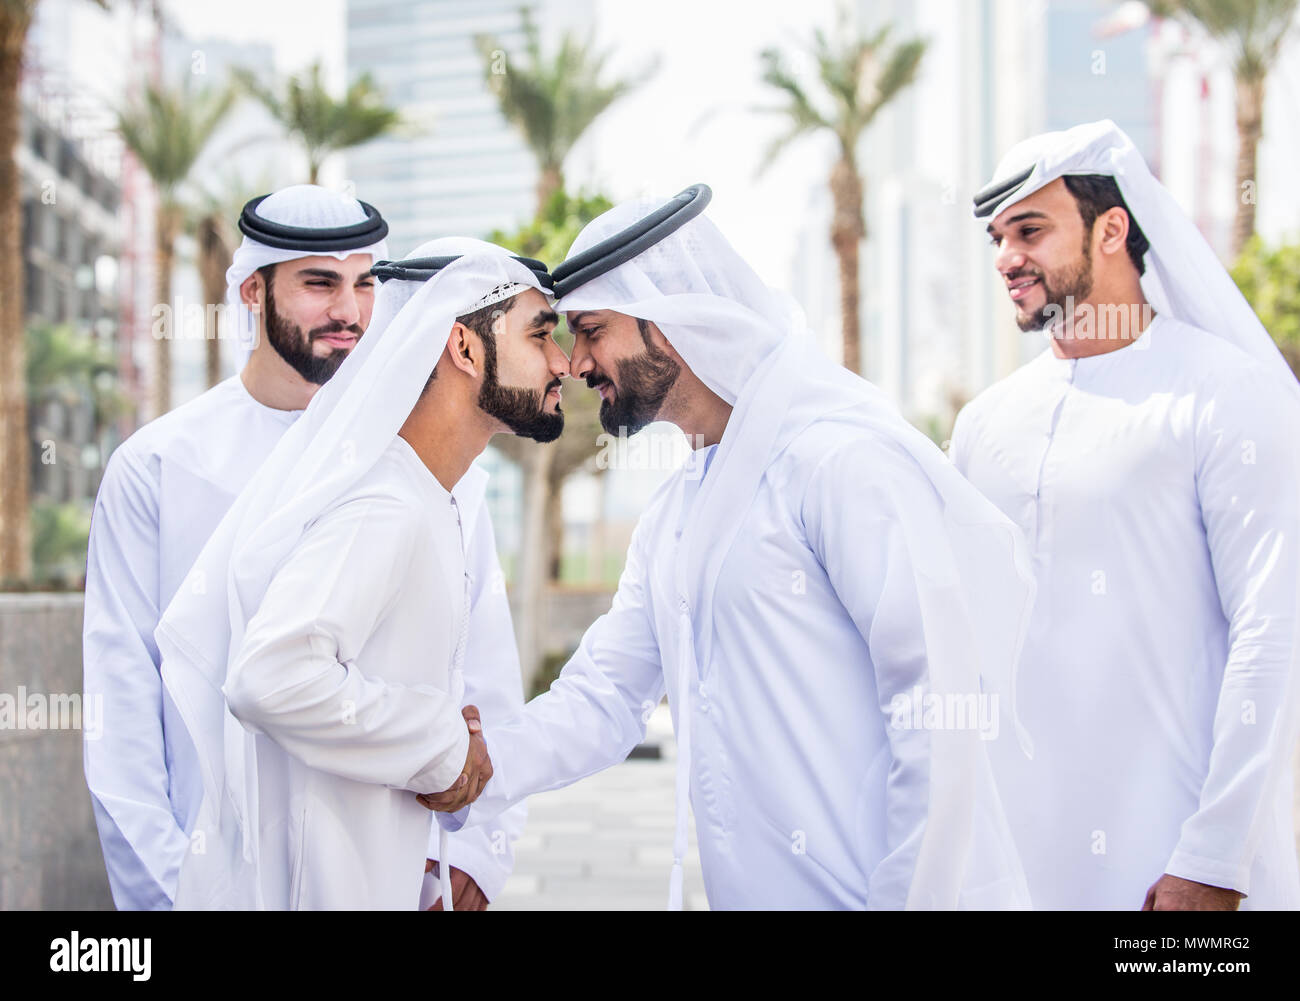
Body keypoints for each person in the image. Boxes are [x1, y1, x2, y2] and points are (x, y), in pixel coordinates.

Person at [427, 186, 1036, 910]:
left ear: (670, 321)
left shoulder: (838, 464)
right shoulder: (674, 513)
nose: (576, 361)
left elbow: (937, 705)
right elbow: (607, 694)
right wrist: (480, 759)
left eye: (592, 330)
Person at [83, 188, 524, 910]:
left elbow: (482, 677)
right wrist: (174, 892)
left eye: (364, 284)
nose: (348, 311)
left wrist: (472, 855)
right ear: (254, 291)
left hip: (386, 878)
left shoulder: (432, 464)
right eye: (320, 283)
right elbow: (120, 714)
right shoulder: (157, 465)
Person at [951, 120, 1300, 910]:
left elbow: (1275, 632)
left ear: (1112, 229)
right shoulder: (982, 425)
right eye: (999, 237)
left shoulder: (1226, 395)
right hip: (1016, 875)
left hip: (1176, 868)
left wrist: (1216, 858)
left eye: (1031, 230)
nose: (1007, 258)